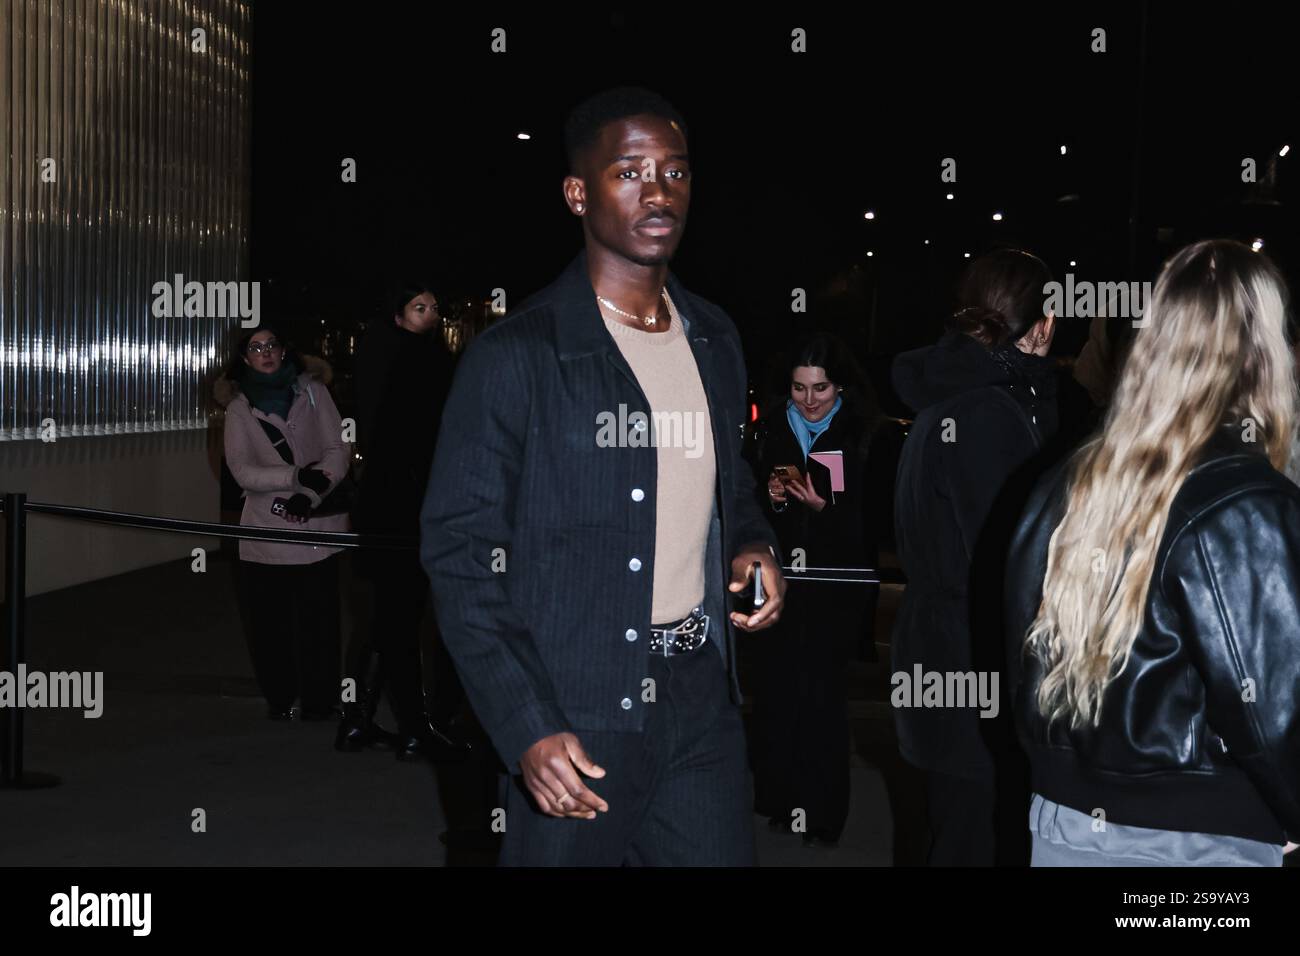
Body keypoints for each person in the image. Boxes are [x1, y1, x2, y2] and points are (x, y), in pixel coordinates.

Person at [421, 86, 786, 866]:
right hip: (573, 707)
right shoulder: (518, 356)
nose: (659, 193)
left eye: (675, 172)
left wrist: (751, 545)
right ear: (577, 194)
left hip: (699, 693)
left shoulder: (714, 337)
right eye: (629, 173)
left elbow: (731, 485)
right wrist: (526, 724)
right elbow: (460, 554)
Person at [1006, 239, 1300, 866]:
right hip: (1191, 841)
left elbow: (1023, 651)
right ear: (1265, 350)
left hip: (1061, 823)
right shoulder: (1245, 500)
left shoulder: (1068, 481)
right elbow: (1271, 701)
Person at [890, 249, 1058, 865]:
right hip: (975, 672)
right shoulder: (987, 413)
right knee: (974, 842)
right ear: (1041, 325)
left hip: (944, 660)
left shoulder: (956, 398)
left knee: (954, 834)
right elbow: (1011, 567)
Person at [749, 332, 878, 846]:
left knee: (822, 699)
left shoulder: (863, 432)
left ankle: (822, 815)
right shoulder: (769, 429)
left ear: (840, 385)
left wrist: (825, 508)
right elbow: (750, 508)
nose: (808, 400)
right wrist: (776, 498)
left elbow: (875, 523)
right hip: (780, 581)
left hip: (835, 587)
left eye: (820, 388)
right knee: (778, 694)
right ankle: (780, 801)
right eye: (799, 387)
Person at [337, 280, 466, 759]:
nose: (431, 315)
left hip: (392, 507)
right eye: (419, 308)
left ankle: (361, 719)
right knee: (407, 617)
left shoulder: (382, 355)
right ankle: (416, 725)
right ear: (398, 314)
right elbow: (423, 440)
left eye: (433, 307)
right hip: (411, 509)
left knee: (389, 618)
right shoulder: (421, 362)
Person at [223, 327, 350, 720]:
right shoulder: (239, 408)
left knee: (321, 620)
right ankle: (280, 697)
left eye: (272, 345)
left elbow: (337, 448)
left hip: (318, 525)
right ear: (245, 358)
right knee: (271, 623)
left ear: (283, 350)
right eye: (256, 347)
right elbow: (242, 470)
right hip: (268, 529)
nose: (266, 353)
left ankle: (320, 700)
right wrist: (292, 477)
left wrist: (312, 490)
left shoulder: (314, 391)